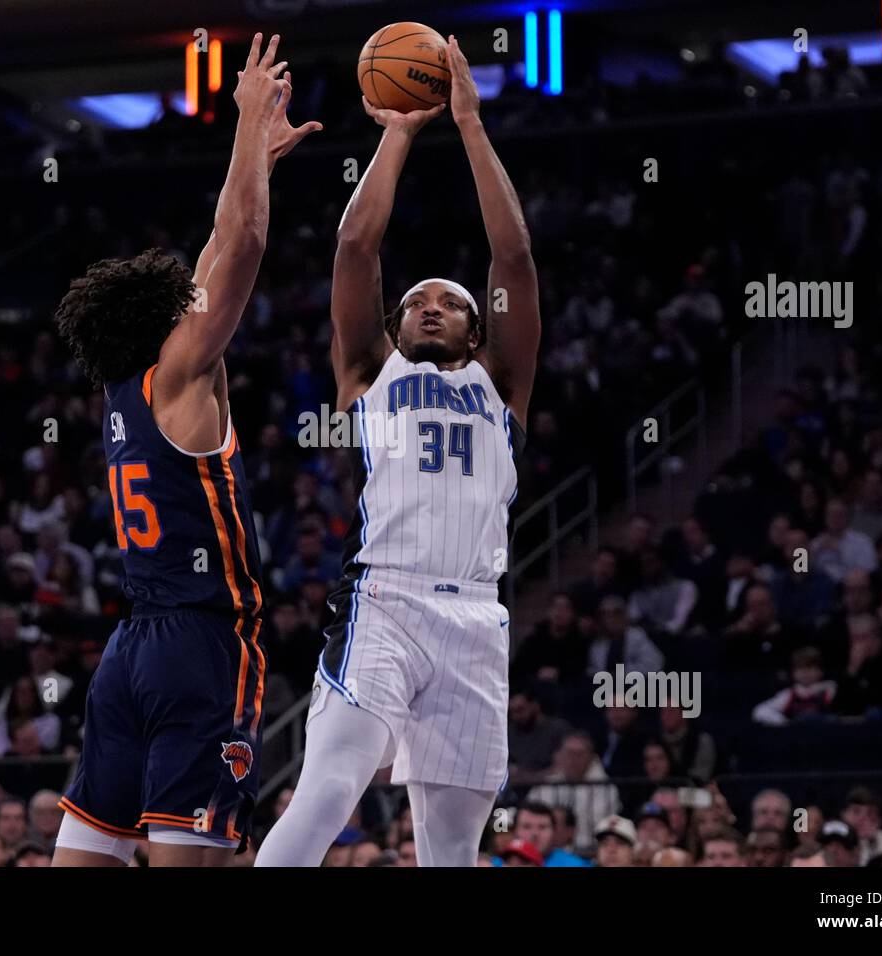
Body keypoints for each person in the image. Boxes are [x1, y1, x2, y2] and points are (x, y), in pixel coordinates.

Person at [257, 37, 539, 868]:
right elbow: (355, 251)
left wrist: (471, 125)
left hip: (477, 616)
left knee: (452, 846)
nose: (427, 307)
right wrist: (401, 134)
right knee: (330, 788)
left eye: (447, 303)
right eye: (414, 302)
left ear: (477, 328)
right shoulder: (368, 373)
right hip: (384, 600)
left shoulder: (503, 385)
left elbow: (513, 257)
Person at [50, 34, 319, 868]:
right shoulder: (180, 375)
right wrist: (244, 124)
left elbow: (217, 243)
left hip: (126, 654)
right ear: (166, 318)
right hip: (200, 647)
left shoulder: (123, 390)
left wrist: (256, 167)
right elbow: (238, 246)